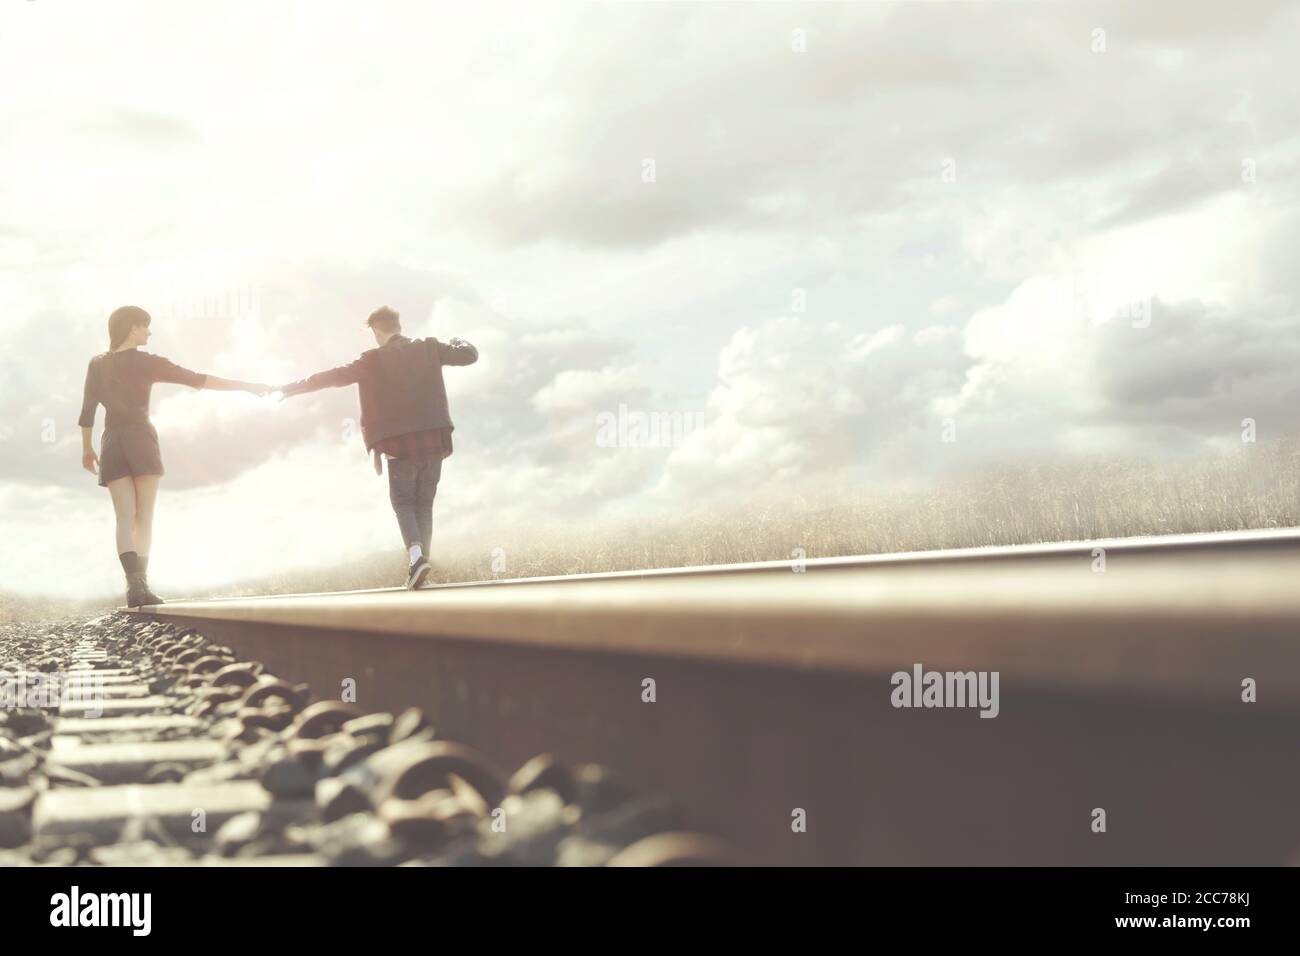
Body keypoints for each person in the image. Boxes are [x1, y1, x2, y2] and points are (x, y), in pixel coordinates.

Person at [79, 305, 271, 608]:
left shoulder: (97, 364)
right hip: (141, 438)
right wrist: (246, 386)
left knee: (124, 516)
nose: (149, 332)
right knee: (145, 518)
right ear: (132, 328)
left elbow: (88, 408)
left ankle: (134, 587)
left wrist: (86, 448)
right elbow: (198, 379)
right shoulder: (149, 362)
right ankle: (142, 585)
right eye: (146, 326)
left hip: (112, 440)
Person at [277, 306, 478, 589]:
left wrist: (292, 387)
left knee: (404, 503)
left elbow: (334, 377)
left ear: (377, 330)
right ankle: (421, 564)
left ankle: (417, 558)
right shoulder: (429, 348)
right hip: (433, 442)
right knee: (424, 504)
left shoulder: (371, 360)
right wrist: (458, 340)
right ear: (398, 325)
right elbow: (469, 355)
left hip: (399, 445)